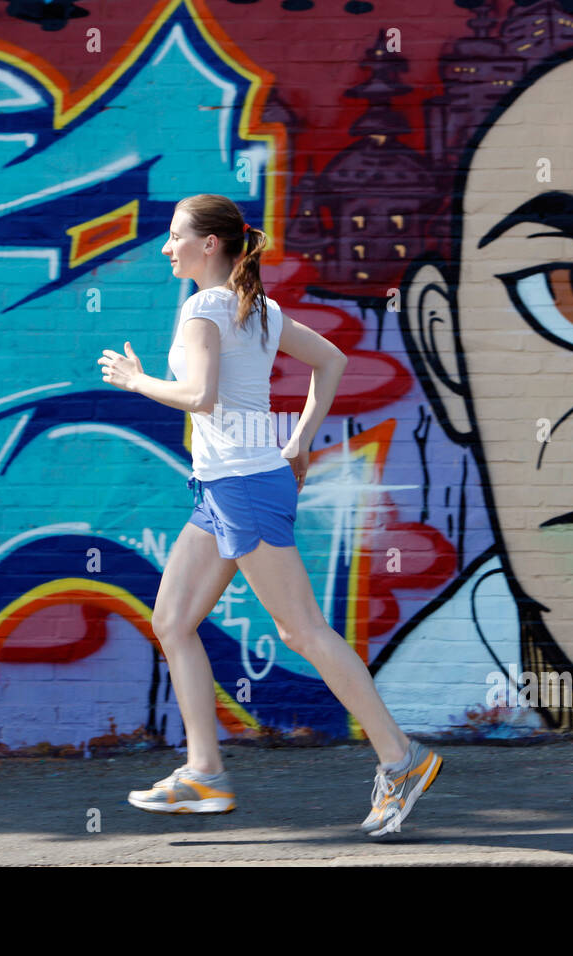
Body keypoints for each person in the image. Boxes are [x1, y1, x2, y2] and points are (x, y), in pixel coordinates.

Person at [96, 193, 441, 836]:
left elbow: (199, 396)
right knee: (172, 620)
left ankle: (402, 758)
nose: (166, 247)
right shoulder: (260, 310)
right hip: (228, 487)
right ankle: (204, 772)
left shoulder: (206, 307)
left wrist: (136, 381)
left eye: (176, 237)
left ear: (209, 245)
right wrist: (302, 439)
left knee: (304, 632)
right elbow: (332, 361)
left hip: (244, 488)